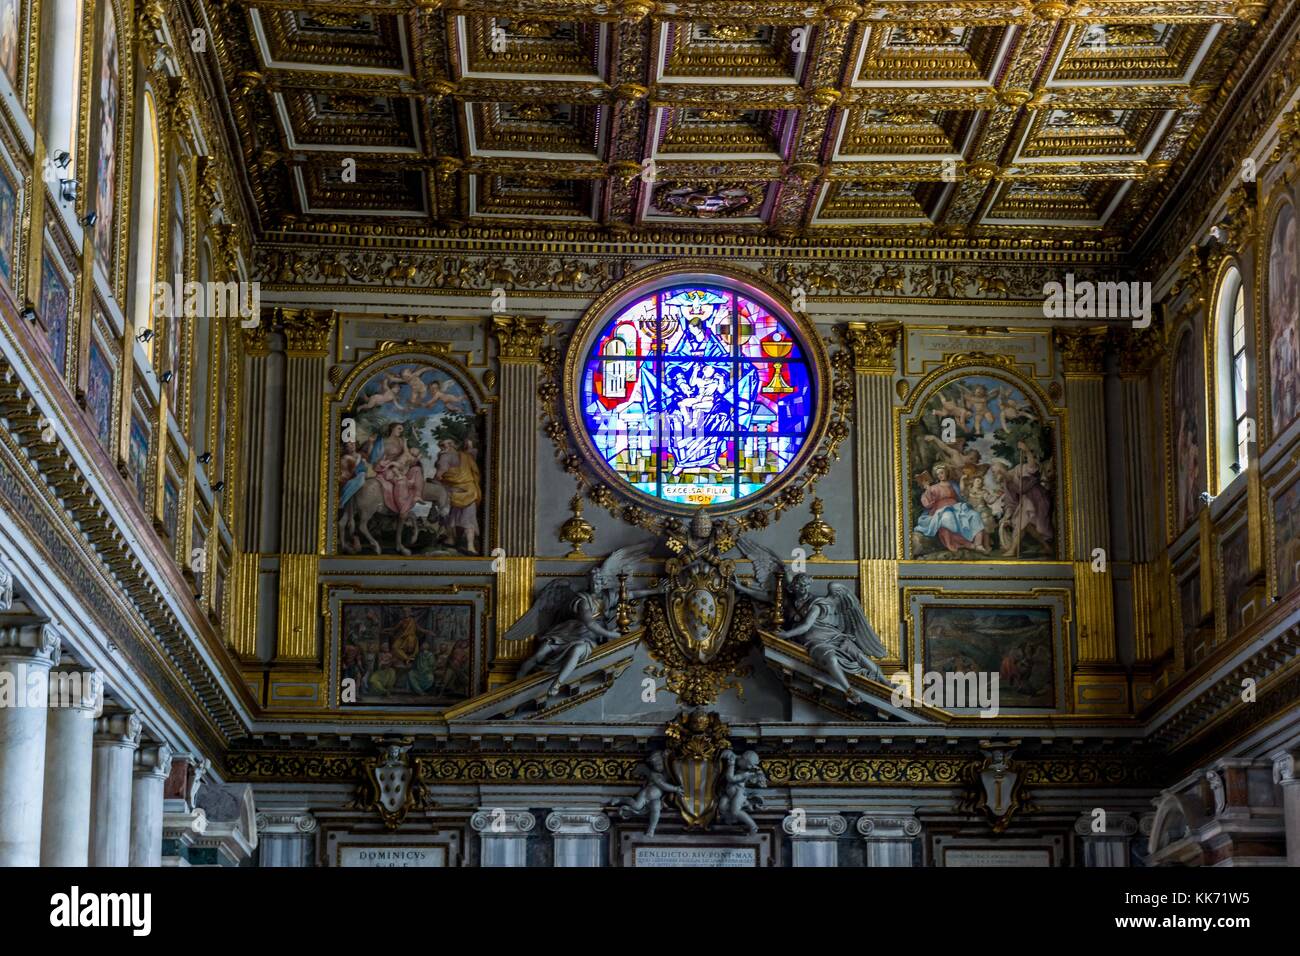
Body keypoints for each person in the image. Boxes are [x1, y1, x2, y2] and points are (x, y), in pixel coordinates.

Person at [914, 463, 990, 553]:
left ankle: (978, 544)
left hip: (956, 507)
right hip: (941, 510)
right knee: (948, 518)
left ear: (946, 473)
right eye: (938, 474)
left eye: (942, 473)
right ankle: (967, 544)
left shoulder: (953, 485)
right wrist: (928, 490)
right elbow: (927, 503)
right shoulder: (933, 488)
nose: (940, 475)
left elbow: (961, 496)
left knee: (974, 515)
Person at [434, 438, 481, 553]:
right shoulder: (466, 456)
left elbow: (440, 474)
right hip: (469, 491)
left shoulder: (445, 456)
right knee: (468, 519)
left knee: (451, 516)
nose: (443, 448)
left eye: (443, 446)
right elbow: (473, 454)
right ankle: (470, 546)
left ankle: (451, 539)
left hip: (454, 493)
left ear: (448, 446)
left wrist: (437, 477)